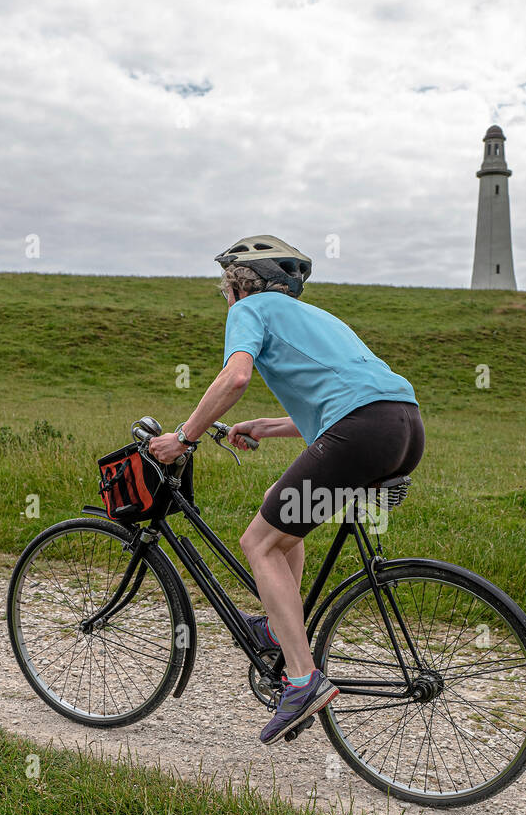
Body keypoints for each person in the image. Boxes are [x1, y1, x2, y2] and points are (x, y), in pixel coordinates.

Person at [149, 235, 424, 744]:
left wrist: (183, 439)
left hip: (361, 430)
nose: (224, 295)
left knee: (258, 541)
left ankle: (302, 680)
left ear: (238, 283)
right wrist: (265, 426)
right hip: (402, 426)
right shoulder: (319, 318)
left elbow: (235, 378)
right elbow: (347, 399)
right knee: (284, 512)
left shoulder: (250, 309)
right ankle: (281, 628)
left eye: (224, 286)